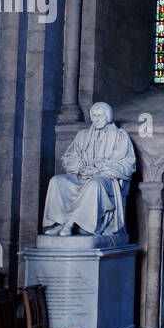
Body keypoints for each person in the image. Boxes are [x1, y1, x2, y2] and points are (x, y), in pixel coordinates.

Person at [42, 102, 136, 237]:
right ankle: (59, 222)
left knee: (94, 184)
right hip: (81, 175)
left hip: (107, 179)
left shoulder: (120, 137)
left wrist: (99, 170)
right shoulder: (83, 135)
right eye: (94, 115)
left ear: (108, 117)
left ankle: (70, 223)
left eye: (100, 116)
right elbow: (69, 156)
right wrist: (79, 167)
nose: (96, 119)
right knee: (57, 181)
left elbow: (128, 164)